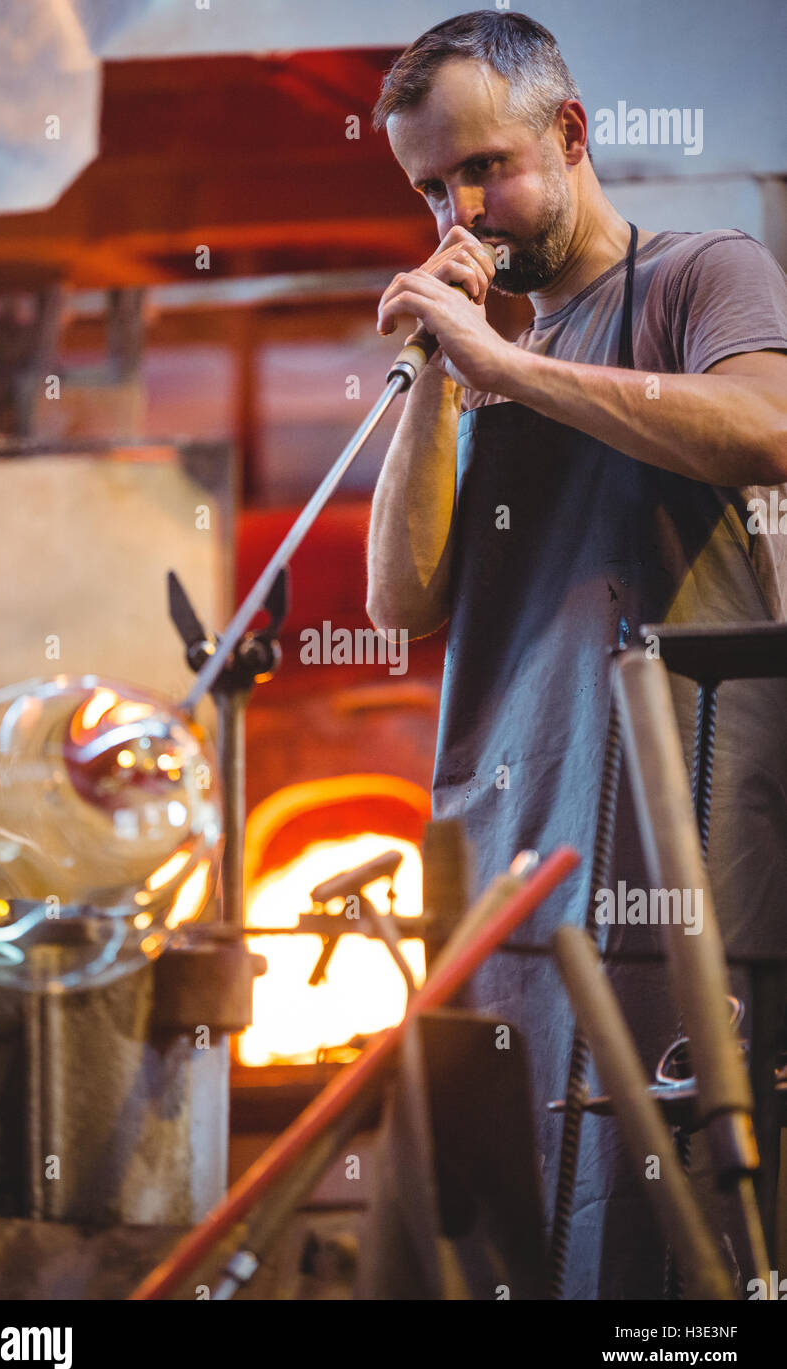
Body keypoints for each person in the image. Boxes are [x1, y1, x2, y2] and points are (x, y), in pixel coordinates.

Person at [366, 10, 787, 1299]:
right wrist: (444, 372)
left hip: (682, 854)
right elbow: (400, 601)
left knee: (684, 1239)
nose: (462, 207)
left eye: (483, 167)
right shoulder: (482, 354)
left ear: (573, 131)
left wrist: (507, 363)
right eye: (433, 185)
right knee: (528, 1227)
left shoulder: (707, 272)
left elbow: (766, 429)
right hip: (514, 863)